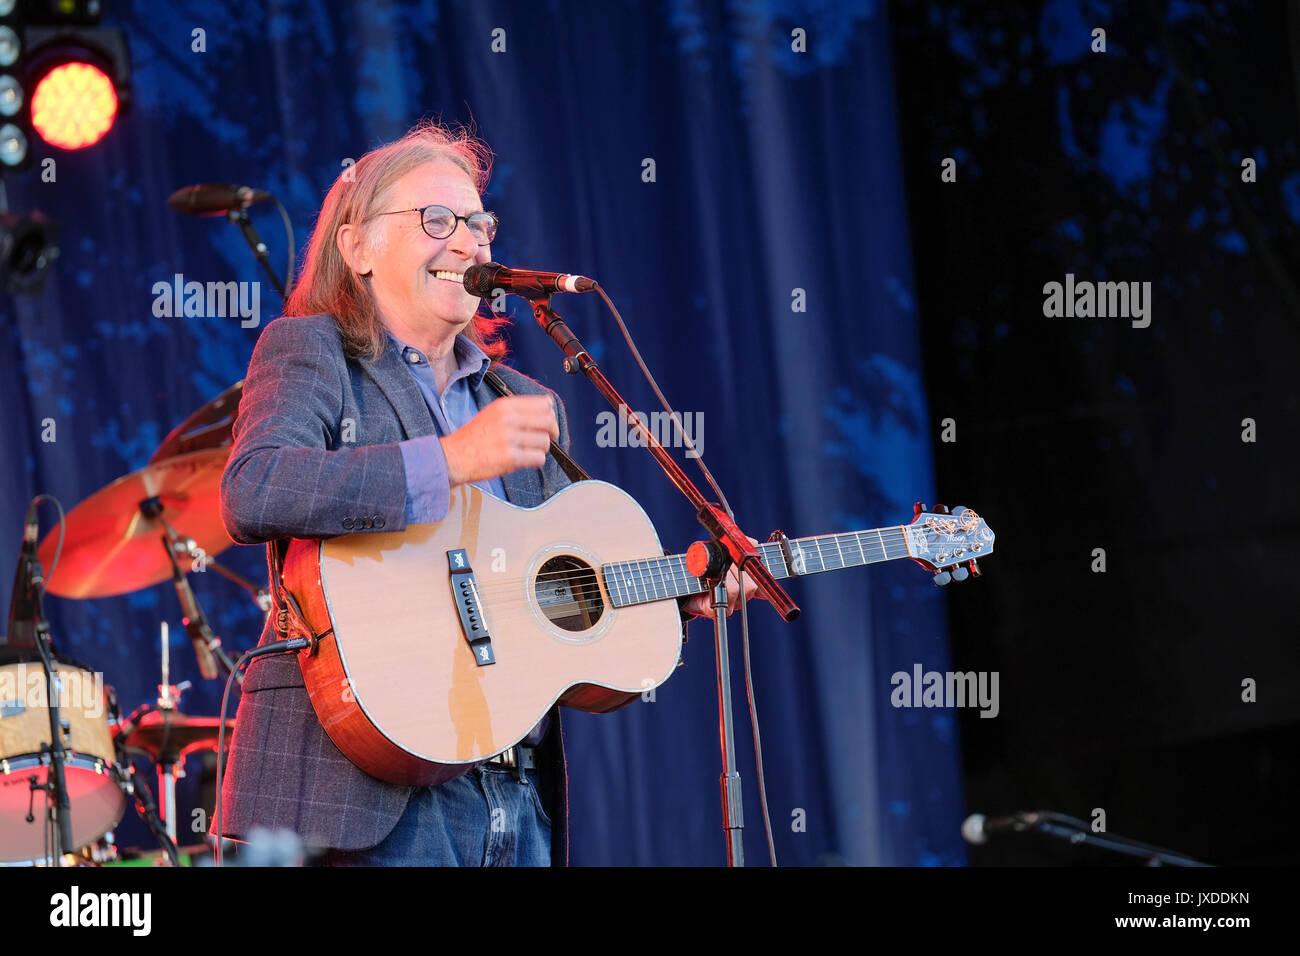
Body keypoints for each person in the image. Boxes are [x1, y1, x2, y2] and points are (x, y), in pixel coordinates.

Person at [215, 120, 753, 867]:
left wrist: (674, 598)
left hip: (509, 799)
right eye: (435, 220)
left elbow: (538, 599)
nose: (467, 242)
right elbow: (256, 488)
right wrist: (450, 459)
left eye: (478, 222)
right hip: (355, 789)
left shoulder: (525, 399)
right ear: (357, 247)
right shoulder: (311, 350)